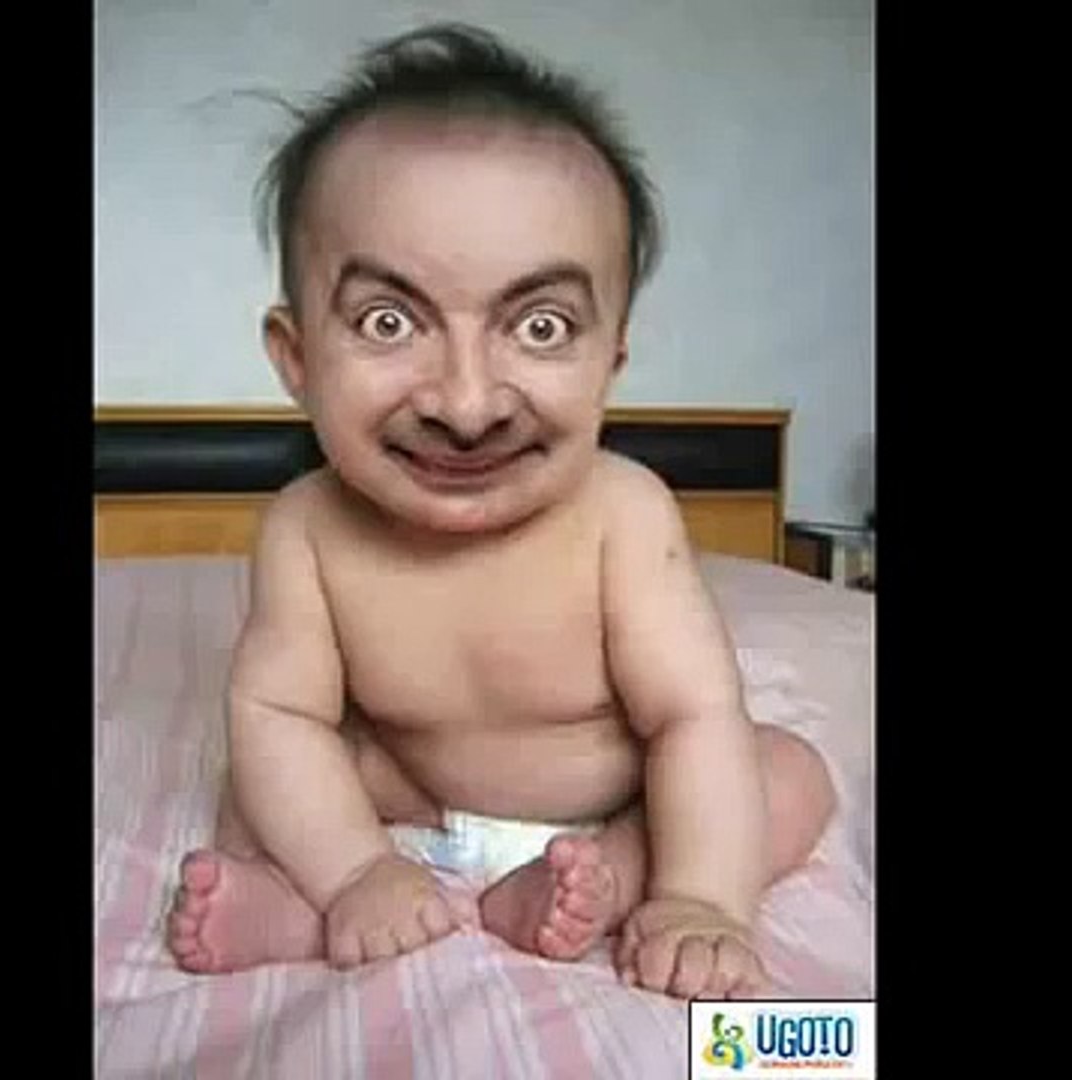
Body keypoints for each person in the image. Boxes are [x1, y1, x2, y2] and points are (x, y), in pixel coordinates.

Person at [166, 22, 836, 1001]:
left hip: (610, 802)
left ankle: (620, 882)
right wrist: (356, 867)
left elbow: (691, 717)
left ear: (609, 363)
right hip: (403, 800)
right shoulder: (305, 528)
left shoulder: (624, 516)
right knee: (259, 771)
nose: (467, 403)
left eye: (542, 325)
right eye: (389, 321)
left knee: (785, 773)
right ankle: (310, 905)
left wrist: (703, 897)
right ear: (298, 359)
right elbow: (281, 712)